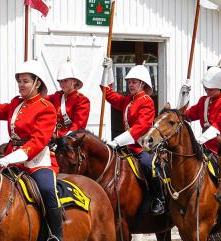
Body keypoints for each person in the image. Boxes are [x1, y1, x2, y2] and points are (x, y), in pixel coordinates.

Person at [0, 59, 63, 241]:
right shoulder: (15, 103)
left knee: (47, 189)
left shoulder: (46, 107)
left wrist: (9, 158)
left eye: (26, 81)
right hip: (12, 159)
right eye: (19, 81)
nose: (21, 85)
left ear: (37, 83)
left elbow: (38, 142)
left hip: (36, 161)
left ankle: (56, 238)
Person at [100, 58, 164, 215]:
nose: (130, 85)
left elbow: (141, 127)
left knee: (148, 166)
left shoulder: (146, 101)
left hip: (142, 146)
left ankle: (159, 198)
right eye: (129, 82)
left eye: (134, 82)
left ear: (142, 84)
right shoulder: (128, 100)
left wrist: (117, 140)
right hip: (126, 145)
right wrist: (107, 71)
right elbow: (108, 94)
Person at [181, 66, 221, 156]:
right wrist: (183, 97)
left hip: (220, 147)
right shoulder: (203, 100)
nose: (207, 91)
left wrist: (199, 141)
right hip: (205, 146)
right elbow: (187, 115)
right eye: (205, 88)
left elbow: (217, 127)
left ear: (219, 87)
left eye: (210, 89)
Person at [47, 58, 91, 137]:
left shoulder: (82, 100)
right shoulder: (57, 95)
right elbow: (40, 100)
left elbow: (78, 126)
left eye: (65, 80)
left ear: (74, 81)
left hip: (70, 140)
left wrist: (63, 138)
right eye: (60, 81)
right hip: (55, 138)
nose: (62, 84)